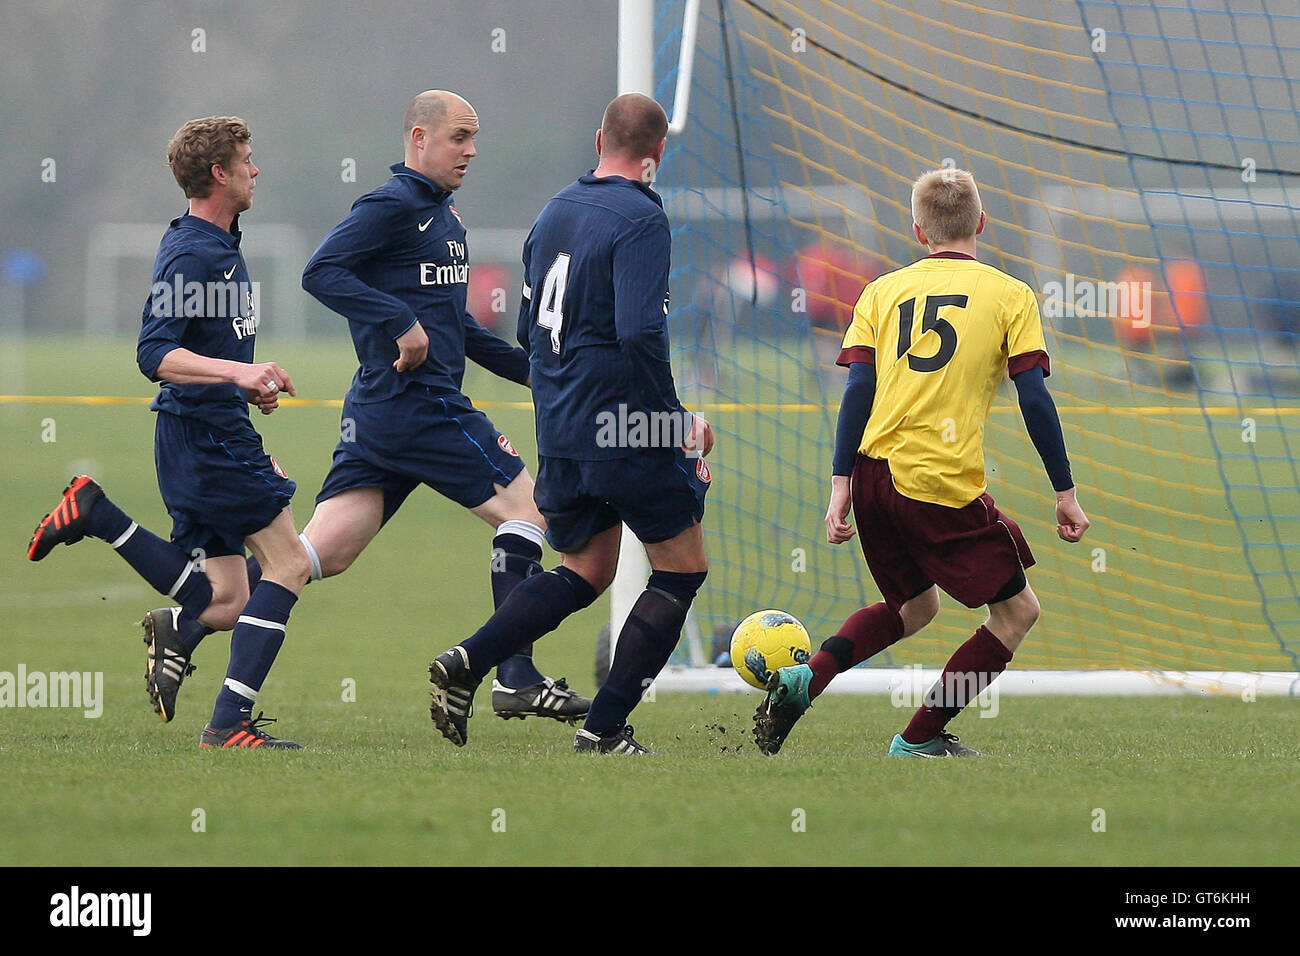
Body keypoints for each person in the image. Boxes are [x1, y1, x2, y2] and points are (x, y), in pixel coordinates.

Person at [136, 91, 591, 727]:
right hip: (420, 404)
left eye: (474, 137)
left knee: (314, 556)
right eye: (459, 137)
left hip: (379, 414)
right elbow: (322, 271)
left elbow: (453, 325)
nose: (471, 150)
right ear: (419, 137)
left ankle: (189, 626)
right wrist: (398, 320)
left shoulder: (444, 216)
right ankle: (513, 675)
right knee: (529, 512)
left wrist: (540, 374)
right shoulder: (390, 205)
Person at [754, 167, 1089, 757]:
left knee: (913, 607)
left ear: (917, 230)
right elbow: (1033, 396)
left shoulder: (881, 291)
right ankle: (919, 740)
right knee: (1016, 614)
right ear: (982, 222)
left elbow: (857, 391)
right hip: (935, 481)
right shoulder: (1011, 295)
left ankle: (809, 677)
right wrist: (1064, 490)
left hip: (872, 474)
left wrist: (840, 485)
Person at [428, 92, 714, 755]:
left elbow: (528, 330)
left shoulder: (555, 210)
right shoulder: (642, 217)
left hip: (560, 426)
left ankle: (469, 661)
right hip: (624, 423)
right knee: (680, 569)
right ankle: (604, 730)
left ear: (598, 140)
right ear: (658, 152)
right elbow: (642, 331)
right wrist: (673, 423)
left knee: (586, 568)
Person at [28, 116, 310, 749]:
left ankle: (99, 516)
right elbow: (155, 353)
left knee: (231, 598)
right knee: (289, 564)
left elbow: (210, 353)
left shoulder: (222, 242)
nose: (256, 169)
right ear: (220, 172)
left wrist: (247, 384)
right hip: (205, 440)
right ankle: (228, 725)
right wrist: (240, 374)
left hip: (208, 433)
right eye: (247, 159)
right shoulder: (193, 251)